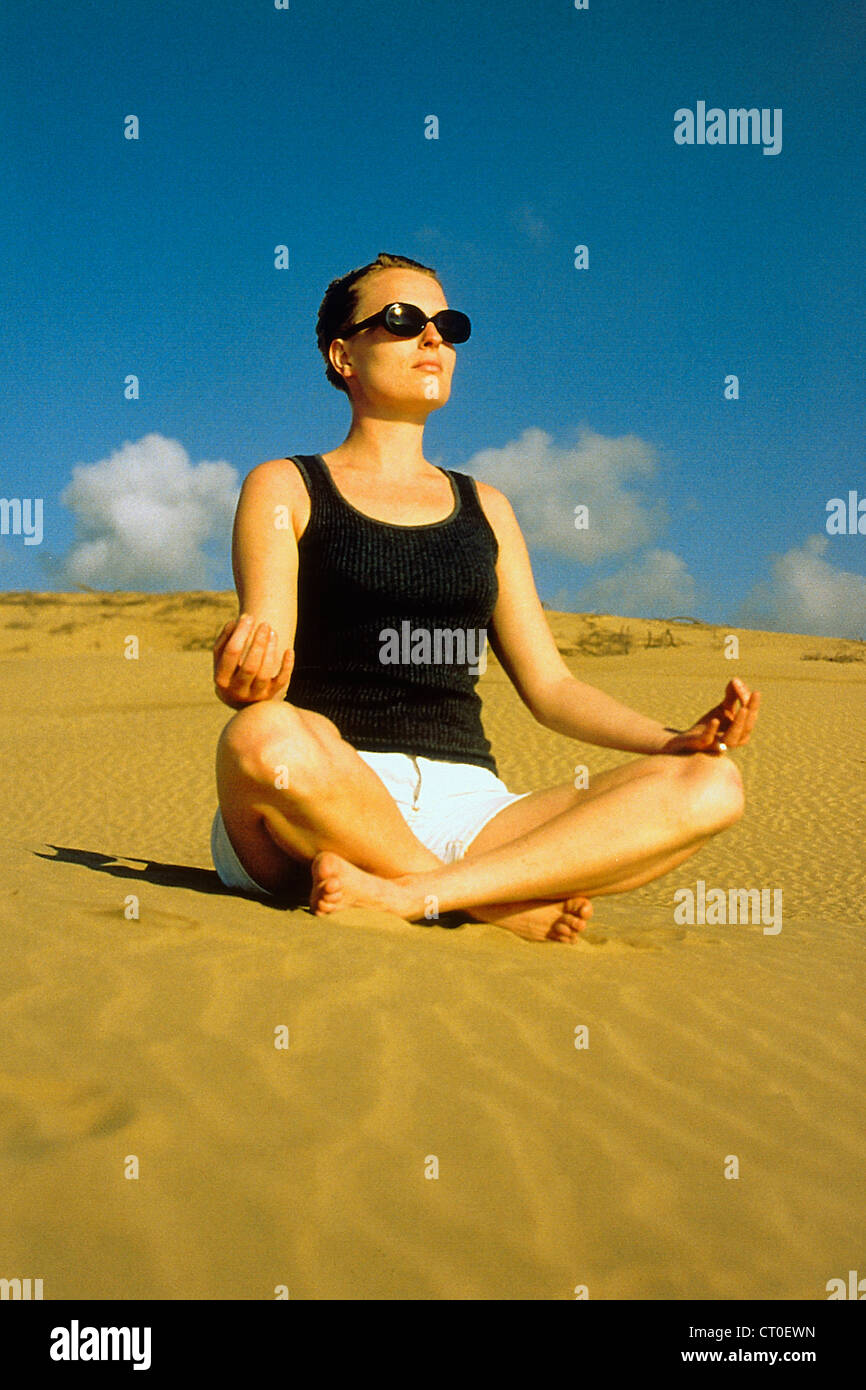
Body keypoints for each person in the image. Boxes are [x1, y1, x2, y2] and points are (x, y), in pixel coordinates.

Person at [210, 252, 761, 944]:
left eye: (448, 324)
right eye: (403, 320)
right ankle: (488, 902)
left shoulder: (487, 508)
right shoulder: (285, 486)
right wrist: (244, 678)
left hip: (470, 810)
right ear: (343, 354)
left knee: (713, 786)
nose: (434, 337)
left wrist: (674, 740)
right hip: (325, 794)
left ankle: (421, 892)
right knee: (261, 735)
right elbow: (267, 655)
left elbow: (552, 686)